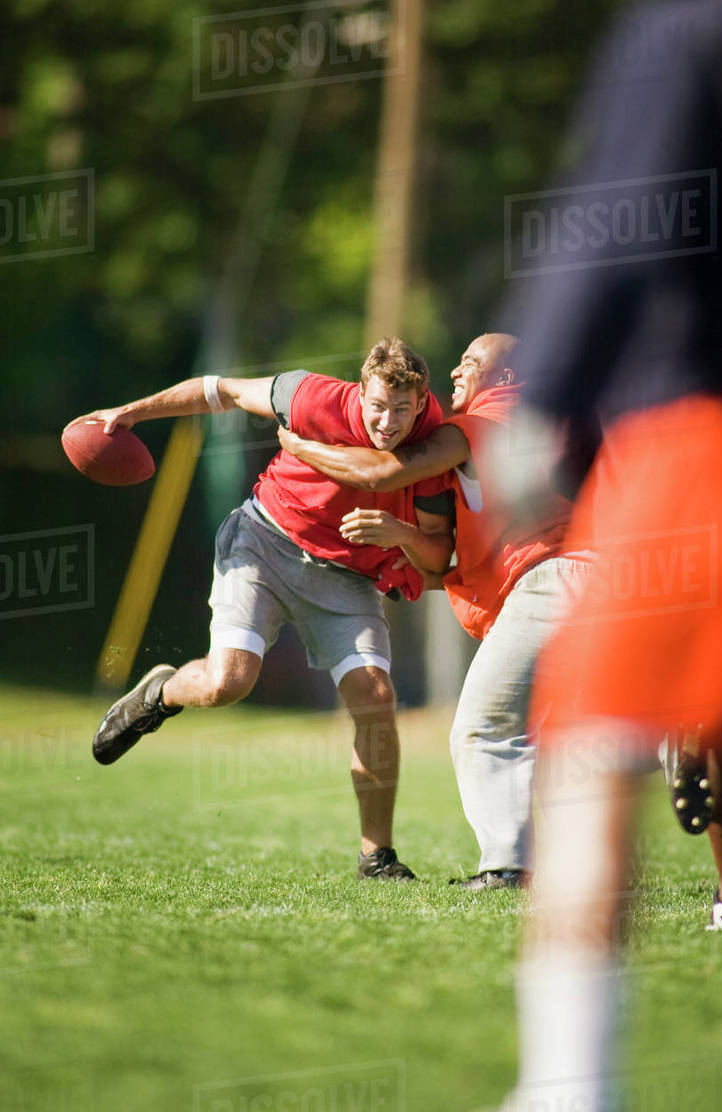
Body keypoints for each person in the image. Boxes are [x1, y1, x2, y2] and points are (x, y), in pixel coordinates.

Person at [479, 0, 722, 1112]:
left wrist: (544, 403)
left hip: (707, 446)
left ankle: (568, 1096)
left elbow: (617, 226)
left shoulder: (689, 33)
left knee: (591, 757)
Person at [75, 338, 455, 881]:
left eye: (401, 409)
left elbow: (437, 556)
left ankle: (376, 857)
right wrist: (131, 412)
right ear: (359, 391)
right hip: (265, 540)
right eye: (377, 406)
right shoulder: (310, 397)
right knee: (227, 683)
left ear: (421, 403)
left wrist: (402, 534)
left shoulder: (436, 442)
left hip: (347, 575)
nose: (387, 421)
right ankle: (160, 692)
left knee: (376, 698)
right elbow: (221, 390)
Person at [278, 332, 596, 889]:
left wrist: (299, 446)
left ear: (506, 377)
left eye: (471, 362)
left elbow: (381, 473)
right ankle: (681, 744)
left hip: (555, 580)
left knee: (483, 728)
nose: (455, 371)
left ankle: (507, 867)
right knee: (596, 726)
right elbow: (448, 557)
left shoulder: (486, 418)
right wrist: (404, 548)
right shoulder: (547, 420)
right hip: (597, 580)